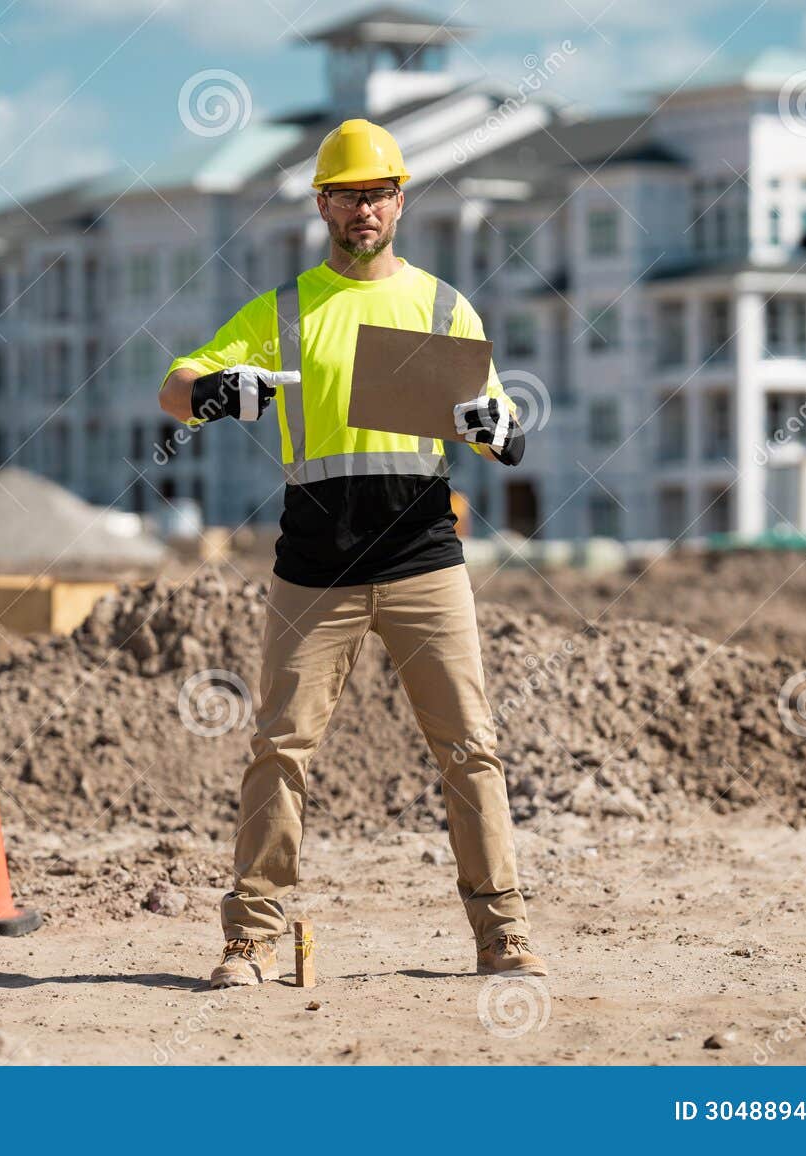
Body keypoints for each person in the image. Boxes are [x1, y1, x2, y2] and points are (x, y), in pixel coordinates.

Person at [158, 118, 545, 988]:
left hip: (422, 555)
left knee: (470, 748)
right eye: (346, 194)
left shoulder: (445, 307)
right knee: (279, 750)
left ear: (400, 201)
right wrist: (219, 391)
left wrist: (502, 433)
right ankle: (249, 943)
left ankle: (504, 936)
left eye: (377, 192)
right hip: (315, 563)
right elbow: (173, 388)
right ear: (321, 203)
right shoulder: (283, 312)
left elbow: (497, 425)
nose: (362, 208)